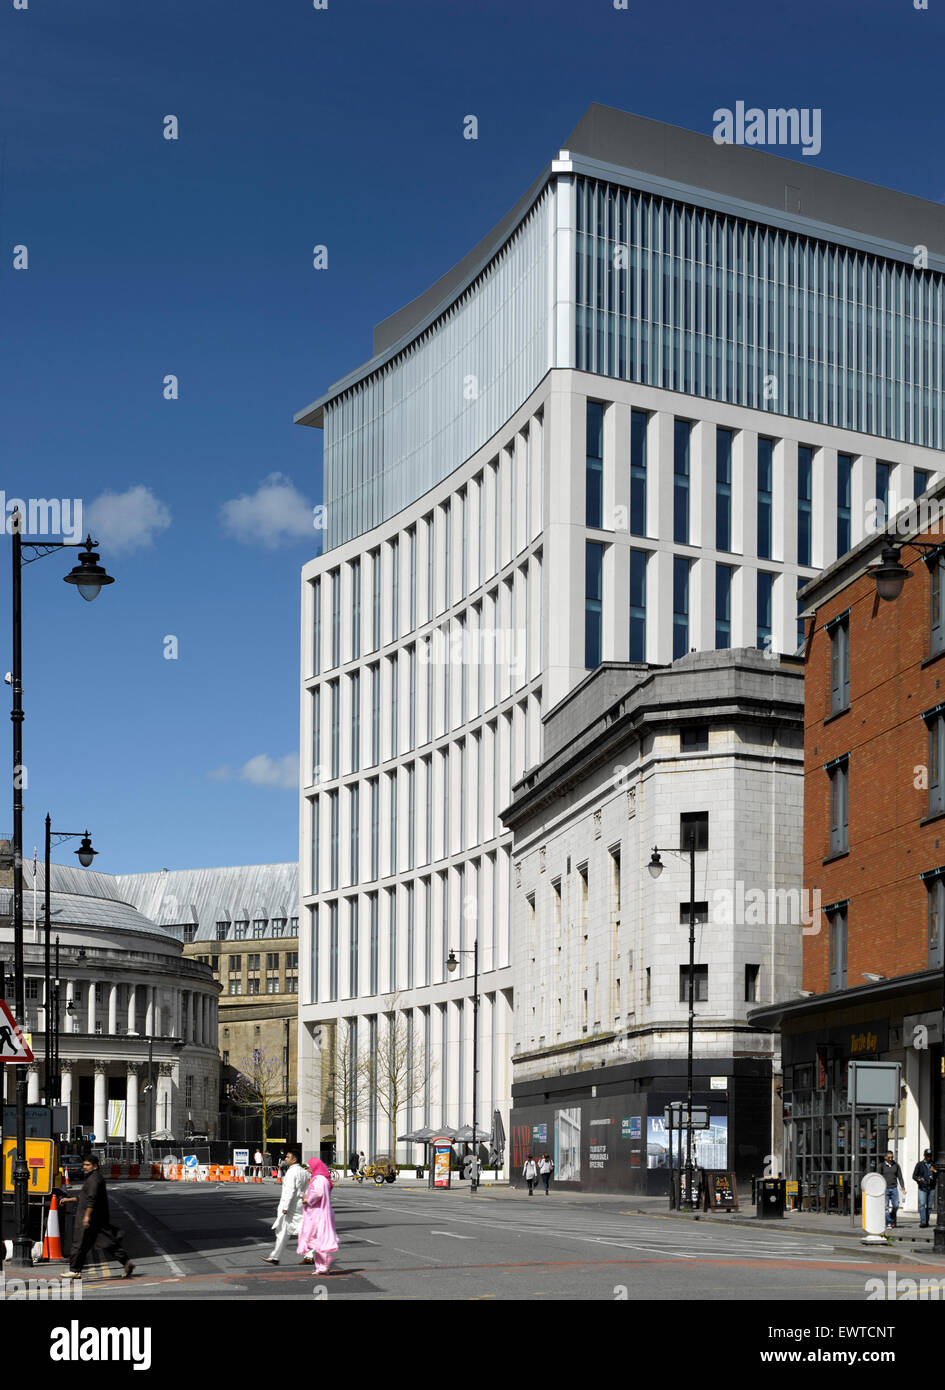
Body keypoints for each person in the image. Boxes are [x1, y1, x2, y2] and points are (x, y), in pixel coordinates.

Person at [61, 1156, 134, 1280]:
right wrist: (70, 1199)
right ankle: (126, 1262)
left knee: (79, 1243)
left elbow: (92, 1199)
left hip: (90, 1218)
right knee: (107, 1243)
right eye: (84, 1164)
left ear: (95, 1166)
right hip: (97, 1219)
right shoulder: (93, 1178)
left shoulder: (93, 1179)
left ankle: (74, 1270)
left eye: (87, 1165)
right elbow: (84, 1197)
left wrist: (86, 1216)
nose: (84, 1167)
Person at [264, 1145, 307, 1264]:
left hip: (290, 1205)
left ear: (294, 1160)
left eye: (287, 1157)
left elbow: (290, 1190)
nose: (285, 1159)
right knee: (301, 1229)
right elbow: (306, 1188)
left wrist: (285, 1208)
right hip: (299, 1204)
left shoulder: (292, 1172)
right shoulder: (303, 1172)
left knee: (283, 1230)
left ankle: (275, 1256)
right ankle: (310, 1254)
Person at [298, 1157, 339, 1274]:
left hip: (317, 1213)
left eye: (309, 1167)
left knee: (311, 1238)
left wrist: (307, 1199)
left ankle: (326, 1259)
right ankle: (322, 1267)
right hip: (322, 1212)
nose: (308, 1169)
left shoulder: (318, 1179)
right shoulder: (323, 1178)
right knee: (318, 1238)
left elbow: (318, 1193)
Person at [912, 1148, 937, 1229]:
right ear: (924, 1156)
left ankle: (926, 1221)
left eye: (930, 1156)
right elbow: (914, 1176)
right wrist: (919, 1179)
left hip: (931, 1187)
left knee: (929, 1206)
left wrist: (934, 1171)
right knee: (922, 1205)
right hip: (922, 1188)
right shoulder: (919, 1164)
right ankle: (923, 1222)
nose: (929, 1157)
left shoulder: (934, 1164)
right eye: (927, 1156)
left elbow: (940, 1174)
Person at [881, 1150, 906, 1228]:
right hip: (885, 1188)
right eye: (889, 1157)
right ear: (885, 1157)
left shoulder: (896, 1165)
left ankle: (892, 1218)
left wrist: (903, 1187)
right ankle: (889, 1222)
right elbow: (878, 1177)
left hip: (894, 1188)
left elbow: (900, 1177)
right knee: (885, 1207)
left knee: (896, 1205)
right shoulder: (881, 1166)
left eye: (892, 1157)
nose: (891, 1159)